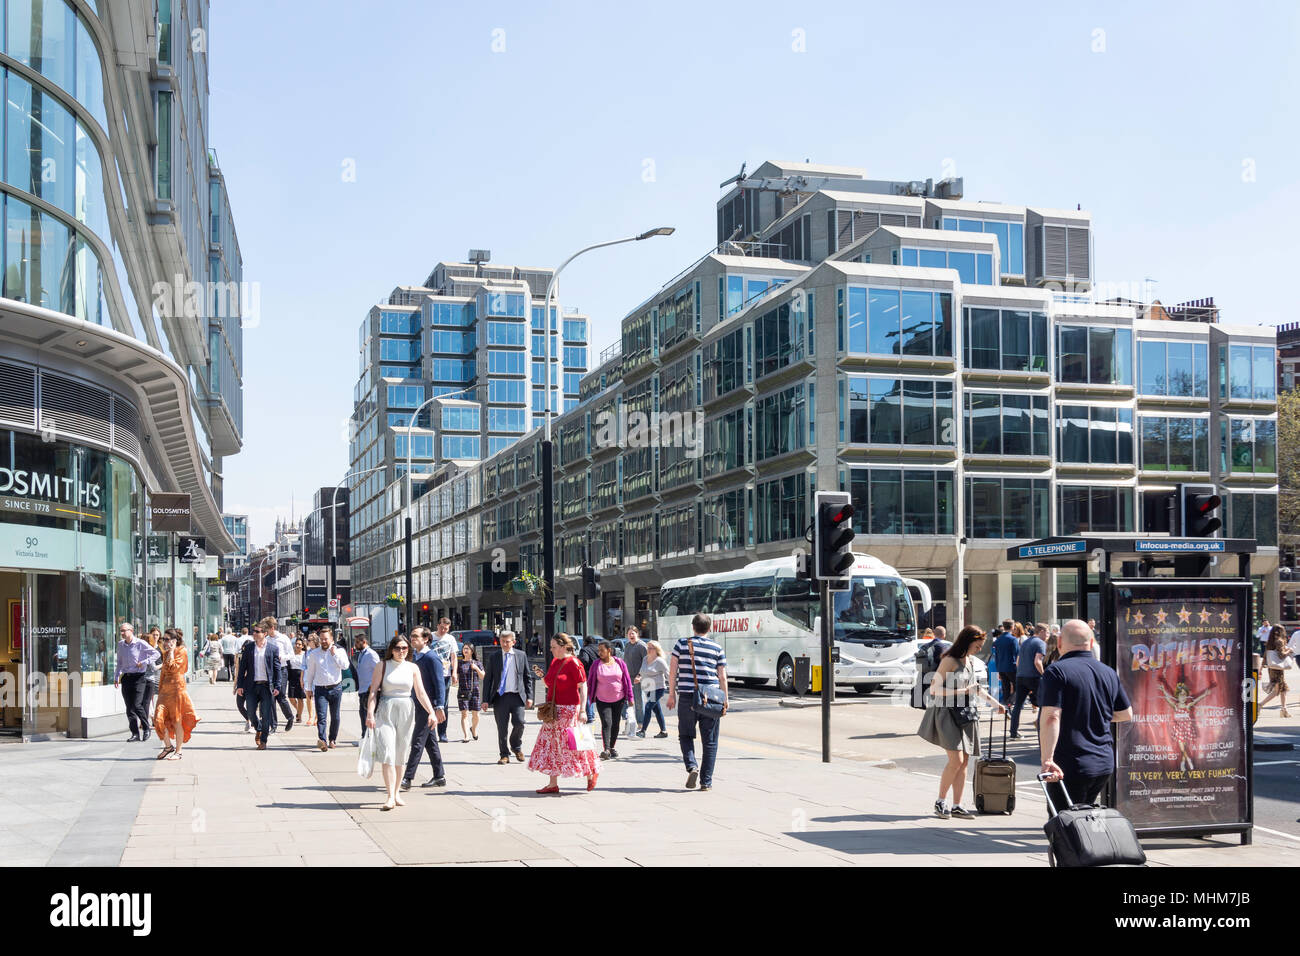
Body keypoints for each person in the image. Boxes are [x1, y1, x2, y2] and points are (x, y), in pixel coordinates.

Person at [1039, 620, 1133, 806]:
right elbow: (1125, 714)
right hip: (1103, 762)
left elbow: (1052, 717)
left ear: (1059, 643)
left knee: (1065, 823)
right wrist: (1093, 713)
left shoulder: (1056, 672)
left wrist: (1047, 759)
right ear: (1091, 643)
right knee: (1085, 819)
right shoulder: (1107, 672)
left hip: (1070, 764)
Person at [917, 625, 1005, 818]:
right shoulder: (949, 660)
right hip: (947, 712)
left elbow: (977, 690)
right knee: (955, 760)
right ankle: (940, 802)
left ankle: (957, 805)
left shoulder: (972, 661)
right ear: (967, 642)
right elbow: (933, 690)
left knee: (965, 761)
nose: (979, 649)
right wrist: (962, 692)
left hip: (966, 712)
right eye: (977, 645)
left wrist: (996, 704)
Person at [366, 635, 439, 811]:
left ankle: (397, 793)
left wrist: (432, 712)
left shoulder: (413, 667)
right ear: (391, 649)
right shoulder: (382, 666)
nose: (401, 651)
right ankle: (390, 796)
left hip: (406, 710)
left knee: (400, 754)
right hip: (386, 710)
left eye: (404, 648)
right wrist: (370, 714)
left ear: (409, 650)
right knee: (388, 753)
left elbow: (421, 693)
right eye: (398, 648)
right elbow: (373, 692)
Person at [528, 633, 599, 793]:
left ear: (562, 646)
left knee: (573, 744)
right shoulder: (555, 662)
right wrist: (542, 676)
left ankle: (591, 771)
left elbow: (583, 686)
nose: (551, 650)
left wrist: (582, 710)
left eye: (553, 647)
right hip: (553, 709)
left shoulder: (574, 662)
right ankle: (553, 783)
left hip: (569, 709)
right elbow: (549, 683)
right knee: (551, 745)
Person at [666, 613, 728, 792]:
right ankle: (706, 782)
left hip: (687, 696)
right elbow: (722, 676)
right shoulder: (717, 648)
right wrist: (726, 699)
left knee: (685, 735)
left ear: (692, 627)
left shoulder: (681, 644)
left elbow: (672, 671)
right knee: (710, 741)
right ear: (709, 629)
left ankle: (692, 766)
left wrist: (672, 694)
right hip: (711, 699)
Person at [402, 627, 448, 791]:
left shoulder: (431, 658)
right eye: (412, 636)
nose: (412, 639)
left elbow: (439, 683)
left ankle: (407, 777)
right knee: (430, 742)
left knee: (418, 741)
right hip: (418, 704)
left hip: (428, 707)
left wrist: (439, 706)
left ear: (426, 639)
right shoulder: (416, 656)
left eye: (416, 636)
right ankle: (439, 776)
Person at [481, 631, 535, 764]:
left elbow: (527, 677)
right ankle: (504, 754)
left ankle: (516, 746)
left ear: (513, 642)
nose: (504, 644)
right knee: (502, 727)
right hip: (500, 697)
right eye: (502, 641)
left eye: (507, 641)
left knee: (520, 723)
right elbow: (488, 679)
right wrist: (485, 700)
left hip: (517, 696)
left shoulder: (521, 655)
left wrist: (530, 696)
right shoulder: (494, 657)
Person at [153, 629, 199, 760]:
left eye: (167, 640)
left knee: (177, 720)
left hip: (177, 690)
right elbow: (163, 672)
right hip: (165, 691)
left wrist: (172, 651)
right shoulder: (166, 652)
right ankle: (168, 747)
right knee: (158, 719)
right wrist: (160, 688)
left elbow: (175, 669)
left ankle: (178, 751)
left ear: (174, 640)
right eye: (164, 639)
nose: (165, 642)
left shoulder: (181, 651)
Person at [236, 624, 283, 750]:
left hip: (267, 687)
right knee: (251, 712)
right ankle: (259, 728)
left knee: (266, 714)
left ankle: (263, 741)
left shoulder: (273, 649)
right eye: (254, 631)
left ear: (265, 633)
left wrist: (277, 685)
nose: (255, 633)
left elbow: (277, 669)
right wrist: (239, 685)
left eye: (257, 632)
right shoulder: (249, 648)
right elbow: (242, 668)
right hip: (251, 686)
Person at [303, 627, 350, 751]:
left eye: (326, 639)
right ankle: (322, 740)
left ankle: (332, 739)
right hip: (320, 689)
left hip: (336, 688)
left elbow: (345, 666)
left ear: (332, 639)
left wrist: (334, 655)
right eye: (322, 639)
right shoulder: (314, 654)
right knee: (321, 716)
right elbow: (310, 672)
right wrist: (308, 687)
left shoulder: (339, 651)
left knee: (335, 717)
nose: (324, 641)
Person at [114, 622, 160, 742]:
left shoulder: (140, 643)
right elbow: (119, 662)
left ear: (131, 631)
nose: (122, 633)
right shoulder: (121, 645)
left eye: (124, 630)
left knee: (137, 704)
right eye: (121, 631)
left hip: (139, 677)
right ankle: (134, 733)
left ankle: (146, 728)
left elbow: (156, 654)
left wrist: (144, 662)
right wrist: (116, 676)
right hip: (127, 677)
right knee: (129, 708)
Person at [590, 640, 634, 759]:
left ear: (609, 650)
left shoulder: (619, 663)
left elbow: (627, 680)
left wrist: (630, 697)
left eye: (602, 650)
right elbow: (591, 682)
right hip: (602, 699)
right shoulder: (596, 664)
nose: (599, 653)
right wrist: (588, 698)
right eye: (598, 651)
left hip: (618, 699)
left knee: (615, 724)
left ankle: (612, 747)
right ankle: (607, 749)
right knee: (606, 723)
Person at [1009, 624, 1048, 739]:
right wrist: (1044, 674)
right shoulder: (1041, 643)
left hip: (1020, 676)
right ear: (1041, 631)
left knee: (1018, 705)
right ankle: (1042, 731)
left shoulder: (1025, 642)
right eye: (1047, 632)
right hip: (1034, 677)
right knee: (1043, 704)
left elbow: (1018, 662)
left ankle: (1013, 733)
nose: (1048, 635)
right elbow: (1037, 661)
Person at [263, 617, 296, 732]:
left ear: (272, 628)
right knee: (271, 697)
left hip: (282, 669)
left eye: (266, 629)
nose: (264, 631)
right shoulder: (266, 640)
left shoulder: (283, 638)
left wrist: (282, 657)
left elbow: (291, 654)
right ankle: (274, 725)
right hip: (270, 671)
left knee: (281, 695)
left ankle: (290, 717)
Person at [431, 618, 459, 742]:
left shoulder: (450, 639)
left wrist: (454, 672)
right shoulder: (430, 637)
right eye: (441, 628)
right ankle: (430, 732)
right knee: (430, 703)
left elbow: (454, 657)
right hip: (430, 674)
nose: (443, 630)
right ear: (437, 626)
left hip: (445, 675)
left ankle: (442, 733)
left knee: (444, 704)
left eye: (446, 629)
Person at [635, 640, 669, 738]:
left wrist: (672, 690)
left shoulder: (659, 661)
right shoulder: (645, 659)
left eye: (651, 648)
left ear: (656, 649)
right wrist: (639, 677)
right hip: (648, 687)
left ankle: (643, 731)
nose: (648, 649)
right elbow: (642, 672)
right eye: (648, 647)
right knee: (657, 710)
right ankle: (664, 731)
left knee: (648, 707)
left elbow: (668, 674)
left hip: (658, 688)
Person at [1261, 626, 1293, 717]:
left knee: (1283, 689)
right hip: (1278, 669)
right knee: (1277, 691)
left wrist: (1262, 665)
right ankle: (1260, 705)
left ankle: (1284, 710)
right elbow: (1282, 655)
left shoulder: (1270, 641)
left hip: (1272, 667)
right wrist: (1289, 651)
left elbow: (1265, 654)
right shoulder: (1279, 641)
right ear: (1280, 631)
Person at [352, 633, 380, 738]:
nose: (355, 645)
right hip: (362, 689)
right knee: (363, 715)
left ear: (364, 642)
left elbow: (379, 670)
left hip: (369, 690)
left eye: (357, 642)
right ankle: (365, 736)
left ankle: (368, 737)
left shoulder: (371, 654)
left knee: (367, 715)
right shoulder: (361, 654)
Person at [457, 643, 485, 741]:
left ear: (472, 651)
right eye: (464, 649)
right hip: (463, 691)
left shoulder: (477, 663)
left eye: (467, 649)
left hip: (475, 691)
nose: (465, 650)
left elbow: (482, 676)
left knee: (476, 714)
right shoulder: (459, 663)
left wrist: (476, 668)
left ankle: (473, 729)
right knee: (464, 714)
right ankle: (466, 736)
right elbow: (455, 676)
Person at [623, 626, 647, 737]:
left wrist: (640, 675)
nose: (631, 635)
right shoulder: (627, 646)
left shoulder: (642, 646)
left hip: (638, 678)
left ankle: (641, 725)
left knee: (638, 701)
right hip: (627, 677)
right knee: (627, 702)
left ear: (637, 634)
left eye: (633, 633)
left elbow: (646, 662)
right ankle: (629, 724)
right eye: (629, 634)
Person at [991, 624, 1019, 707]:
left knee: (1005, 688)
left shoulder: (998, 640)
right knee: (1018, 687)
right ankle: (1010, 703)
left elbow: (996, 656)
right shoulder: (1013, 639)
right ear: (1012, 627)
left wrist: (998, 670)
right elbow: (1017, 655)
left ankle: (1006, 705)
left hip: (1001, 667)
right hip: (1011, 667)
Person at [577, 635, 602, 724]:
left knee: (587, 694)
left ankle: (590, 715)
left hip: (589, 674)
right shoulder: (598, 649)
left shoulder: (585, 650)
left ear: (585, 642)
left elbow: (584, 659)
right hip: (600, 673)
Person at [142, 627, 162, 730]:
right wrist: (163, 664)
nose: (155, 637)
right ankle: (151, 719)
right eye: (153, 635)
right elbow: (153, 666)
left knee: (149, 699)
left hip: (154, 675)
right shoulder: (149, 650)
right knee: (148, 699)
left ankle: (150, 719)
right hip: (150, 675)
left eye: (157, 635)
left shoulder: (159, 647)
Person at [287, 636, 308, 724]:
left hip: (301, 676)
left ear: (303, 646)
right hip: (292, 675)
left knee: (300, 698)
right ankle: (298, 710)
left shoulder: (305, 654)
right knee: (291, 697)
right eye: (296, 644)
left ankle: (299, 716)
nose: (297, 646)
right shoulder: (291, 653)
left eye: (299, 644)